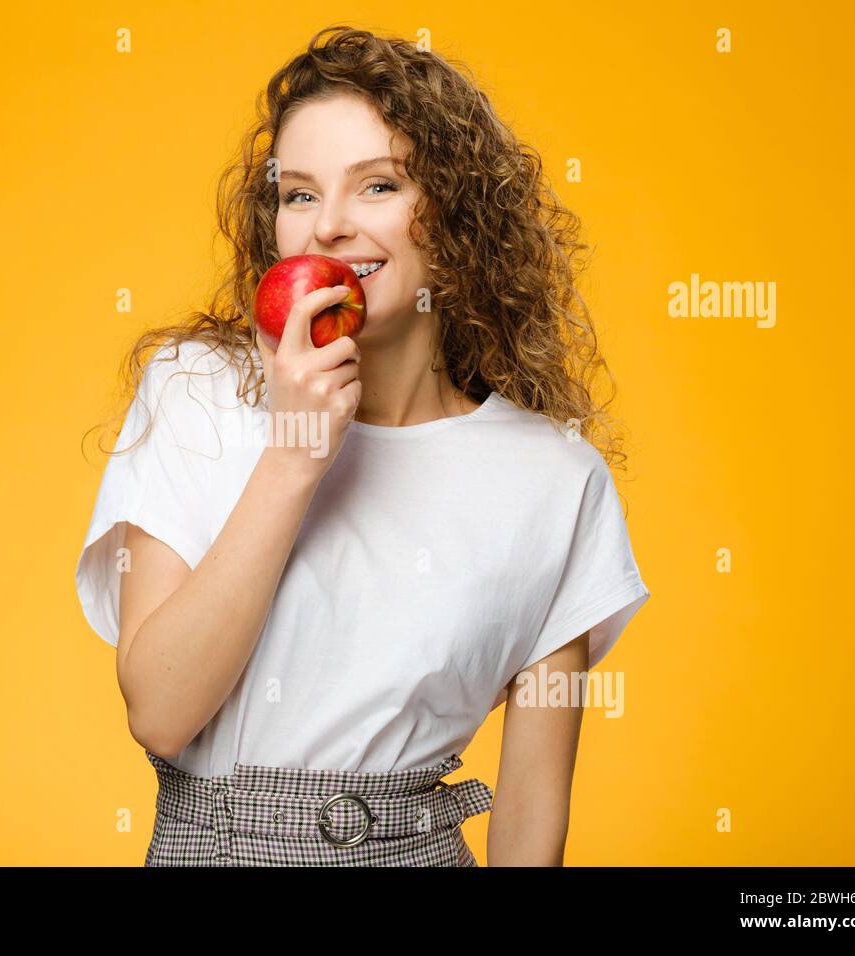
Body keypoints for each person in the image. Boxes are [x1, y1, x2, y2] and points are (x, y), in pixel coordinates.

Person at [75, 25, 651, 867]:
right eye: (299, 194)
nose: (329, 228)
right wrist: (297, 450)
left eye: (377, 186)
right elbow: (160, 709)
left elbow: (531, 820)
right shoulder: (194, 390)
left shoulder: (556, 481)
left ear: (452, 217)